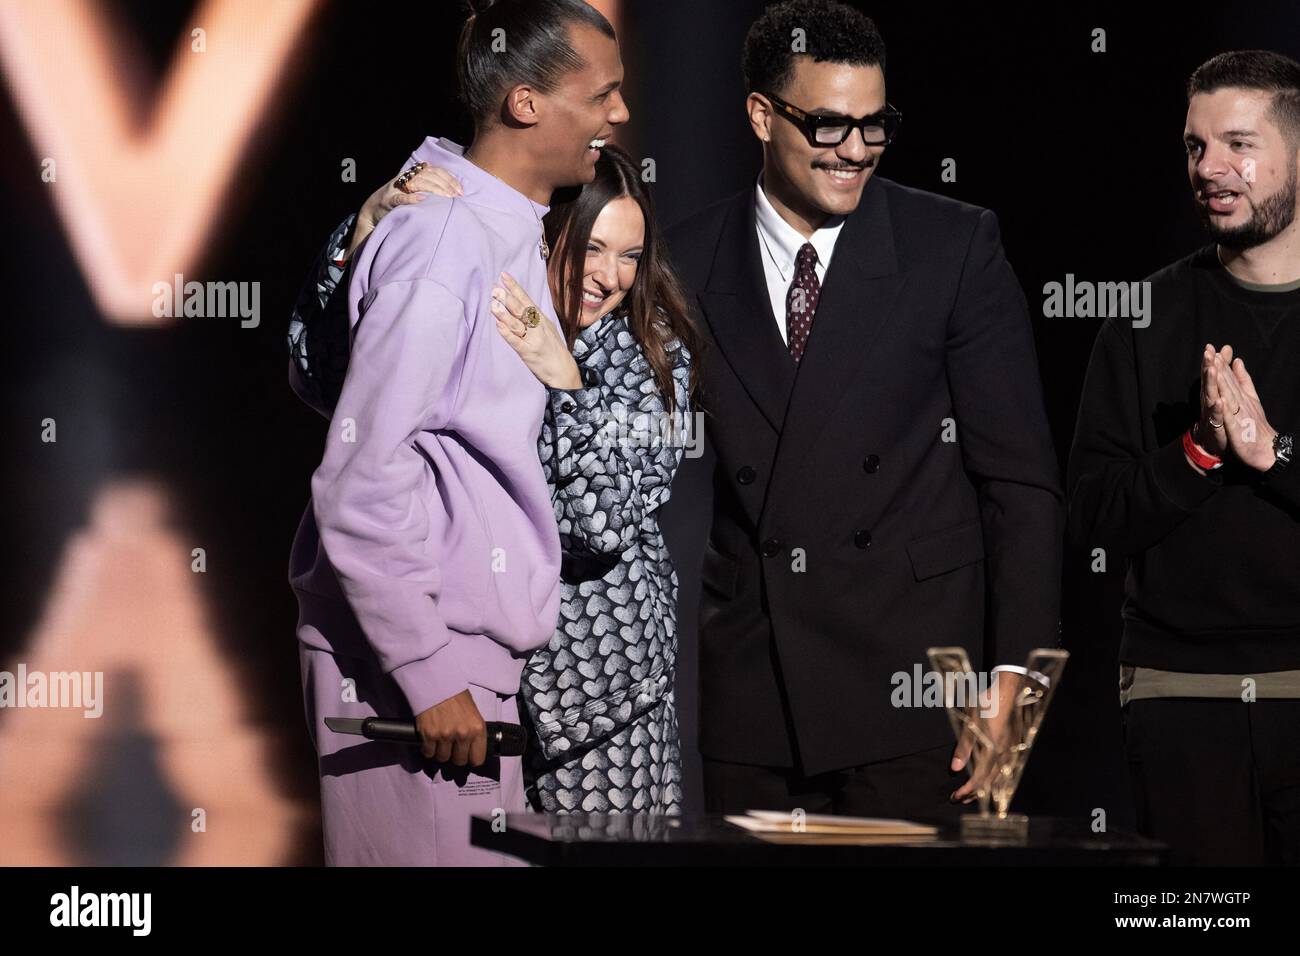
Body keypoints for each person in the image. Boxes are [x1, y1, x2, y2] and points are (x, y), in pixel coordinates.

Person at [664, 0, 1064, 821]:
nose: (856, 150)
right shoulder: (683, 258)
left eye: (875, 126)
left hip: (918, 698)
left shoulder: (952, 247)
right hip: (753, 695)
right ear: (760, 116)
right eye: (829, 125)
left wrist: (1015, 680)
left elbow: (1019, 483)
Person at [286, 0, 629, 865]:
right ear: (525, 104)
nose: (620, 117)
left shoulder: (496, 230)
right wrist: (431, 669)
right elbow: (361, 475)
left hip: (457, 657)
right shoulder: (444, 240)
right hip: (419, 661)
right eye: (602, 96)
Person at [296, 144, 702, 815]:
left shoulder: (649, 352)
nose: (610, 276)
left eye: (630, 256)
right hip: (472, 675)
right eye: (594, 248)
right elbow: (323, 382)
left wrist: (565, 379)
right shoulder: (481, 299)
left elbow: (595, 525)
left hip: (599, 705)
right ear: (547, 234)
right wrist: (364, 232)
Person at [1068, 50, 1300, 865]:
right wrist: (1199, 450)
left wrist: (1273, 454)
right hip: (1180, 688)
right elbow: (1093, 515)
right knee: (1201, 924)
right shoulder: (1142, 319)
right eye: (1195, 147)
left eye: (1238, 144)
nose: (1211, 169)